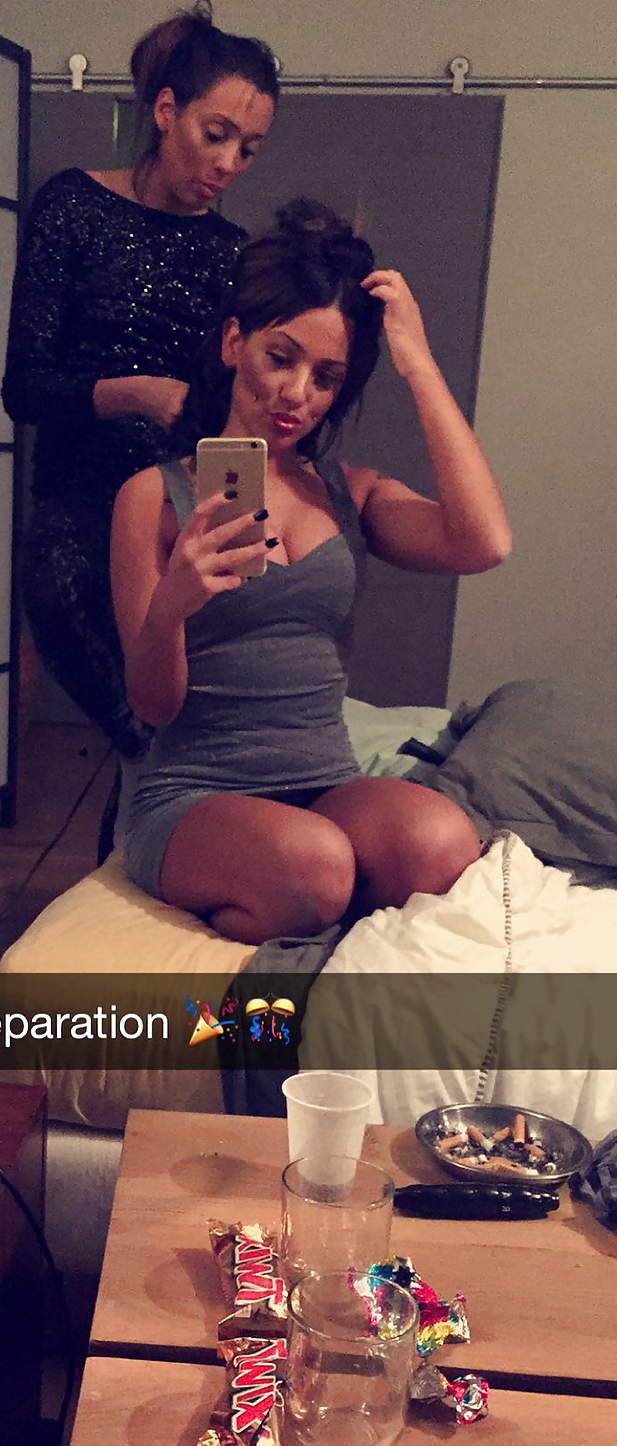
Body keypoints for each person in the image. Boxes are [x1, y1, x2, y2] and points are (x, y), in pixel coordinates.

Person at [110, 200, 512, 944]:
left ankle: (308, 900)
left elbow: (483, 543)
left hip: (326, 785)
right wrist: (173, 607)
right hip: (196, 792)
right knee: (317, 866)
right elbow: (153, 708)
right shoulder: (152, 498)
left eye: (326, 377)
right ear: (234, 342)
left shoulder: (350, 492)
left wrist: (418, 363)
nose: (298, 393)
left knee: (443, 842)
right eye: (281, 357)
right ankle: (284, 910)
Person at [1, 1, 278, 759]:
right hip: (78, 519)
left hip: (182, 519)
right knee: (146, 738)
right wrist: (138, 392)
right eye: (215, 135)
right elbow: (24, 388)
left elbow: (235, 407)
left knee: (198, 729)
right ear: (165, 111)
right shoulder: (73, 205)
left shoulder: (232, 250)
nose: (228, 164)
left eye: (249, 149)